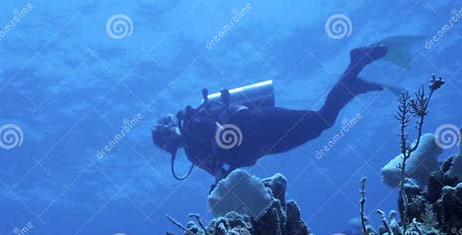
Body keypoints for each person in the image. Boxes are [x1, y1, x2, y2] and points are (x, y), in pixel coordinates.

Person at [152, 41, 406, 183]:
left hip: (256, 124)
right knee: (322, 122)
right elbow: (220, 169)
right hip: (261, 143)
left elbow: (221, 135)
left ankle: (357, 61)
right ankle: (353, 82)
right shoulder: (193, 153)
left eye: (164, 143)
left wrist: (221, 173)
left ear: (168, 133)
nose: (168, 148)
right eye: (165, 147)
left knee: (320, 120)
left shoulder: (192, 125)